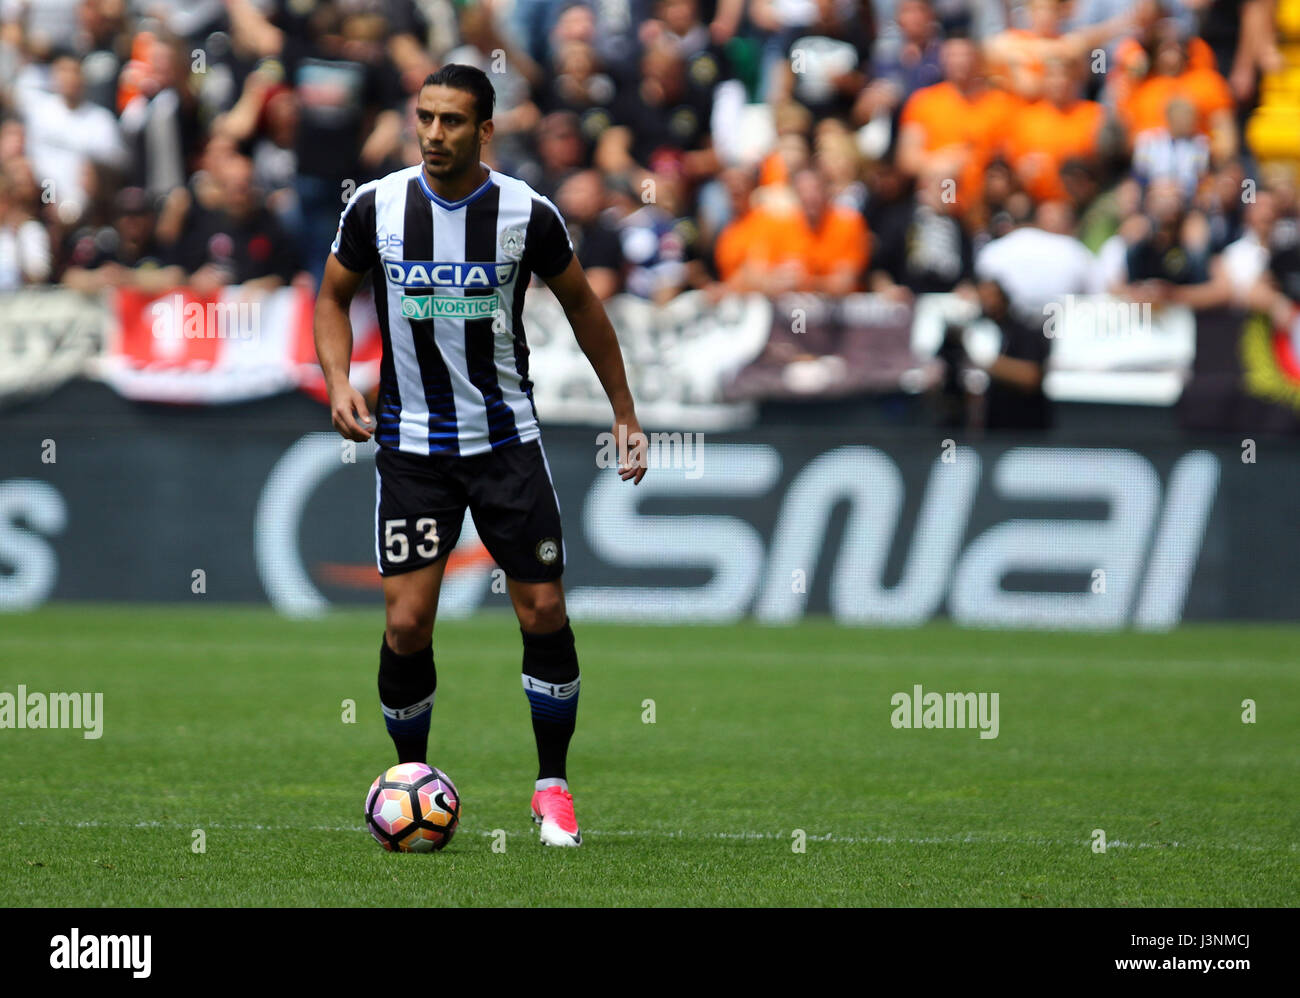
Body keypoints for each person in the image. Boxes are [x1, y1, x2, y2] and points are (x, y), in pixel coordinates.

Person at [313, 64, 647, 849]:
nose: (434, 134)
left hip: (505, 443)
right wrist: (337, 381)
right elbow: (332, 294)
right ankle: (410, 781)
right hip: (413, 450)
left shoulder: (525, 213)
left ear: (485, 130)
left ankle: (552, 787)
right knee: (406, 627)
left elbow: (584, 308)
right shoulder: (377, 206)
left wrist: (625, 414)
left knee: (543, 611)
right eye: (425, 117)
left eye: (453, 121)